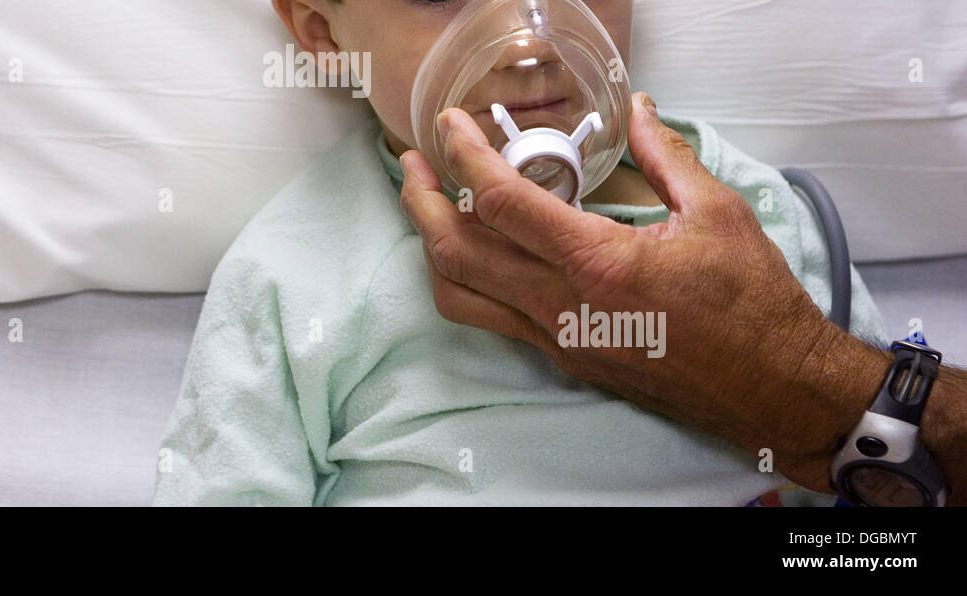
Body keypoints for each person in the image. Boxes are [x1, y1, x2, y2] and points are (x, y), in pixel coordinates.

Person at [152, 0, 889, 505]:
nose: (530, 39)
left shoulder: (753, 221)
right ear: (324, 34)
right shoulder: (298, 278)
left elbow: (885, 483)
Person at [399, 96, 967, 506]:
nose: (527, 46)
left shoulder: (754, 207)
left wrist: (788, 365)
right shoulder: (325, 261)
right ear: (320, 30)